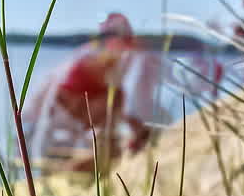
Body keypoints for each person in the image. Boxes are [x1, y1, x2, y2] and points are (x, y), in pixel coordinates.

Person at [22, 13, 160, 170]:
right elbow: (49, 97)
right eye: (112, 41)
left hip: (70, 123)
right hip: (57, 123)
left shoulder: (109, 65)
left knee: (116, 103)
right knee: (115, 101)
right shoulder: (86, 61)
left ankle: (100, 158)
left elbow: (124, 102)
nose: (118, 50)